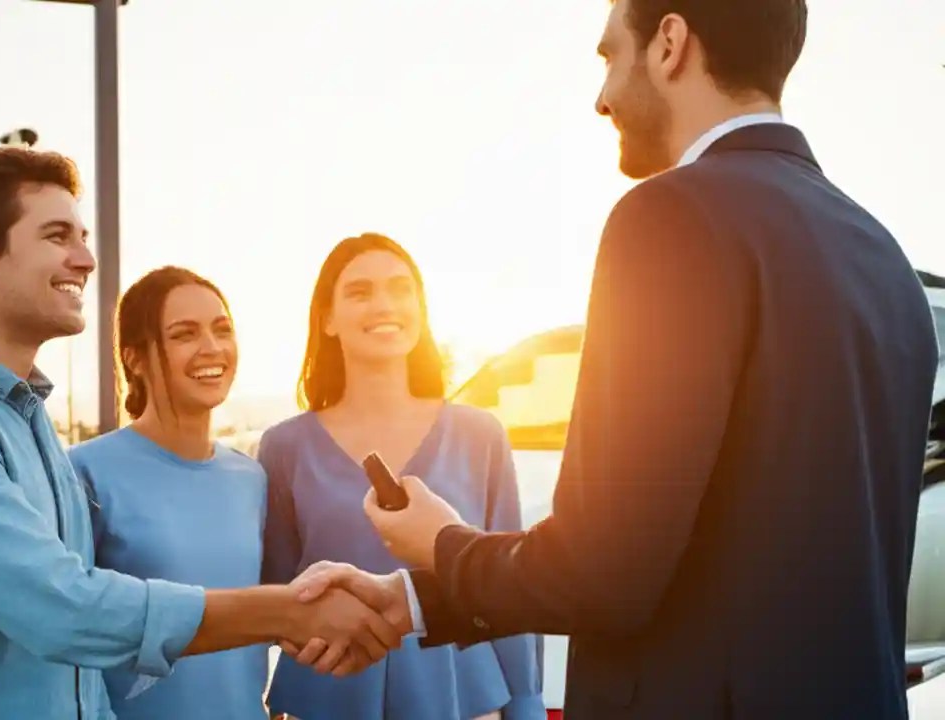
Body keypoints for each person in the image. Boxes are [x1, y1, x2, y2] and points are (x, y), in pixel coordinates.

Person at [299, 1, 941, 718]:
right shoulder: (885, 259)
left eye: (609, 57)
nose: (601, 98)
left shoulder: (667, 216)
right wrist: (419, 600)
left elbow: (604, 570)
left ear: (670, 43)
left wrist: (441, 544)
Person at [0, 147, 406, 720]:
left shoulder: (27, 421)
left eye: (83, 237)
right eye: (58, 236)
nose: (85, 259)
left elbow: (80, 683)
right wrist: (290, 611)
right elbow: (64, 610)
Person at [259, 233, 545, 719]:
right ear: (326, 318)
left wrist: (526, 705)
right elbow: (279, 601)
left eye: (400, 288)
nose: (384, 303)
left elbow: (512, 588)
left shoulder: (481, 435)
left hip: (465, 701)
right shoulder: (284, 447)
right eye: (360, 291)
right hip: (330, 701)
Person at [67, 266, 272, 719]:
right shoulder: (83, 472)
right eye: (184, 334)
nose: (212, 348)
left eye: (222, 329)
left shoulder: (251, 478)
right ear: (135, 358)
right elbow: (68, 627)